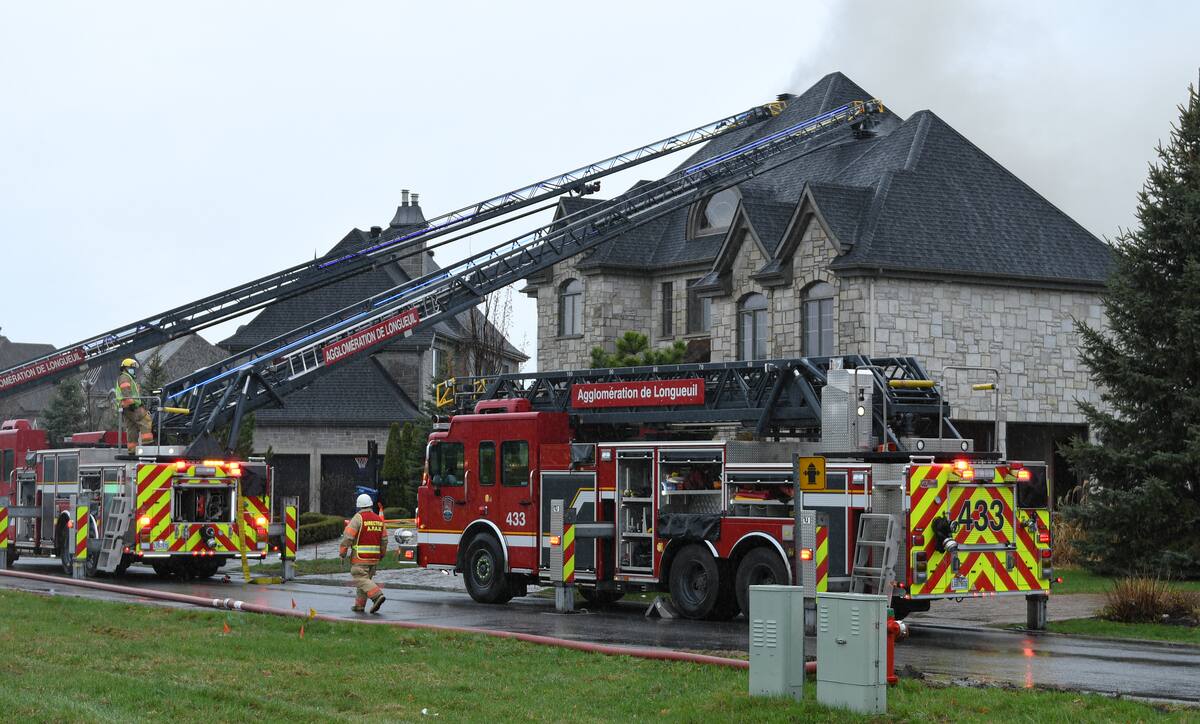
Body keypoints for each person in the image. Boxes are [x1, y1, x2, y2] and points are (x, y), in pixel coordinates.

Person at [339, 493, 388, 613]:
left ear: (359, 506)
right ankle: (359, 605)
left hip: (360, 558)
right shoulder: (378, 519)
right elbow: (384, 540)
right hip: (374, 558)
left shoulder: (358, 518)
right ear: (370, 504)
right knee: (365, 581)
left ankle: (377, 595)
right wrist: (381, 554)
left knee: (359, 578)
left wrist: (342, 553)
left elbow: (348, 537)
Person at [114, 358, 153, 454]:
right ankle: (148, 445)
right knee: (145, 420)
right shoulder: (125, 377)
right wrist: (132, 404)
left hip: (125, 407)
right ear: (126, 368)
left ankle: (132, 450)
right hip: (131, 406)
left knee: (132, 428)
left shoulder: (126, 377)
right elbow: (126, 392)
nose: (133, 370)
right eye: (132, 368)